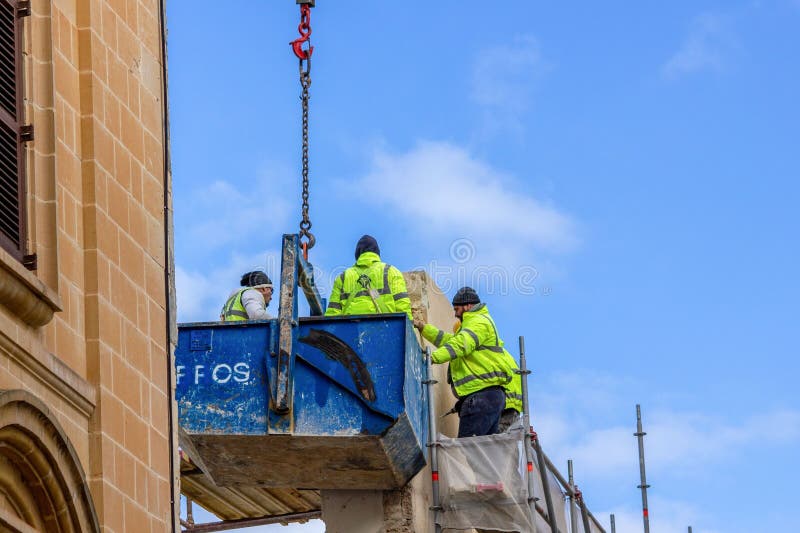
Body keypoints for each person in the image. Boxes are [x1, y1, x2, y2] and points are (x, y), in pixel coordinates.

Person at [414, 287, 517, 438]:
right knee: (481, 452)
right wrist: (424, 328)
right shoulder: (474, 323)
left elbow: (460, 344)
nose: (455, 314)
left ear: (468, 306)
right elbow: (449, 341)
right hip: (487, 397)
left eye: (457, 309)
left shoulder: (479, 322)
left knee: (468, 447)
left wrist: (432, 358)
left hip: (482, 397)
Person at [325, 235, 413, 320]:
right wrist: (410, 331)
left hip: (350, 331)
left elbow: (332, 314)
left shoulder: (343, 277)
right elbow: (403, 305)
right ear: (377, 253)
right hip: (386, 329)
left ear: (358, 254)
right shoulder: (391, 271)